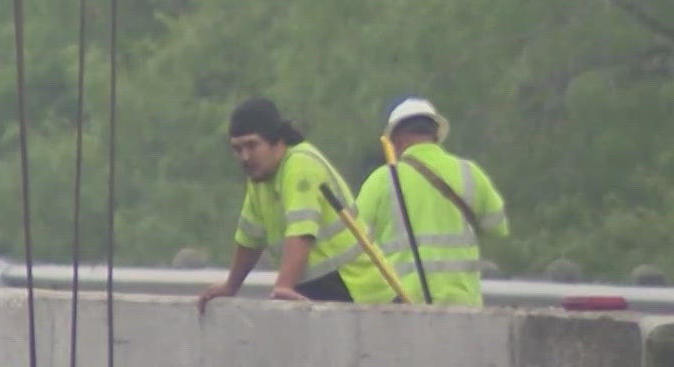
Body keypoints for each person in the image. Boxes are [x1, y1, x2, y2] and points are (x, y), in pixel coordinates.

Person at [198, 97, 393, 309]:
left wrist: (284, 285)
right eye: (238, 149)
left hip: (358, 288)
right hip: (321, 285)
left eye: (252, 145)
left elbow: (301, 232)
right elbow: (250, 239)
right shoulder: (260, 179)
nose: (245, 157)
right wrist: (231, 286)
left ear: (277, 141)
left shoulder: (300, 164)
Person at [354, 97, 508, 306]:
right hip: (463, 303)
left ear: (396, 140)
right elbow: (497, 227)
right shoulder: (469, 173)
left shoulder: (382, 180)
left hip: (405, 302)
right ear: (436, 135)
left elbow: (355, 241)